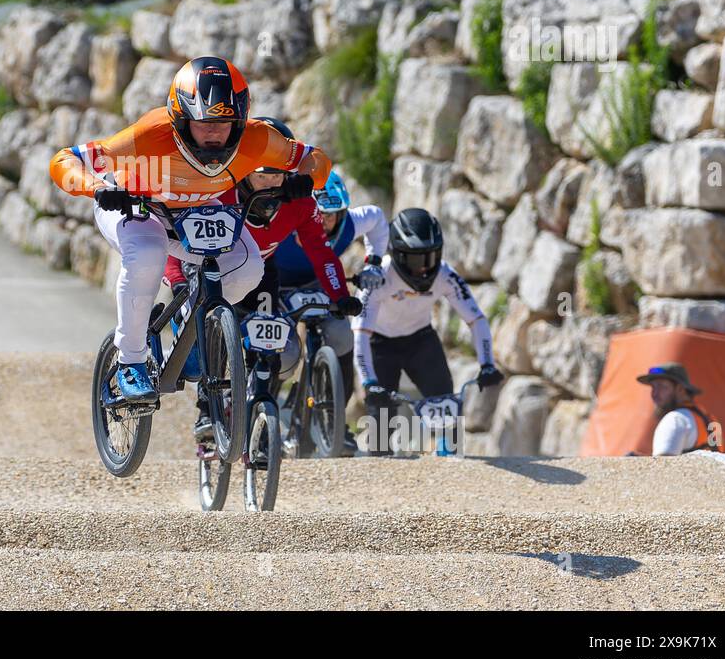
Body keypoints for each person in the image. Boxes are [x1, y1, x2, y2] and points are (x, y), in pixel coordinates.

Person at [49, 56, 335, 404]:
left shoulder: (258, 139)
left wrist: (306, 180)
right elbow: (66, 159)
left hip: (194, 208)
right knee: (149, 255)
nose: (214, 133)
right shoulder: (149, 135)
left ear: (242, 121)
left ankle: (195, 328)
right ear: (181, 120)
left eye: (225, 123)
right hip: (136, 203)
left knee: (248, 267)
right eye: (203, 123)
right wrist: (96, 187)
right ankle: (131, 363)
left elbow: (314, 158)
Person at [163, 119, 361, 443]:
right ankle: (206, 410)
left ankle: (261, 413)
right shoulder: (218, 190)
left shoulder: (300, 201)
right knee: (207, 334)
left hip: (261, 273)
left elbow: (320, 251)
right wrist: (175, 279)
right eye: (261, 172)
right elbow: (176, 233)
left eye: (277, 173)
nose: (270, 181)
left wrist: (339, 294)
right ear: (245, 169)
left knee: (269, 342)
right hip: (209, 266)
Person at [353, 208, 504, 451]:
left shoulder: (445, 274)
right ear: (398, 254)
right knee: (381, 424)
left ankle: (452, 464)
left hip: (420, 341)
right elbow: (360, 334)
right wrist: (369, 382)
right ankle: (378, 472)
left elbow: (476, 319)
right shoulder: (378, 277)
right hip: (378, 345)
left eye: (430, 258)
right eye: (416, 260)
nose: (424, 268)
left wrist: (487, 363)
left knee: (447, 407)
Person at [274, 171, 389, 449]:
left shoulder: (351, 223)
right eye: (317, 215)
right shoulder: (283, 217)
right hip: (275, 282)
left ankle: (336, 422)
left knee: (342, 337)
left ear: (343, 212)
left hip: (321, 279)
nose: (322, 223)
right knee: (282, 351)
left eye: (331, 215)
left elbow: (376, 218)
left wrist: (373, 262)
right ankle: (260, 412)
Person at [639, 363, 724, 456]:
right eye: (653, 387)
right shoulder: (710, 419)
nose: (654, 394)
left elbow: (664, 465)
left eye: (662, 386)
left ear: (680, 389)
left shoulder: (675, 419)